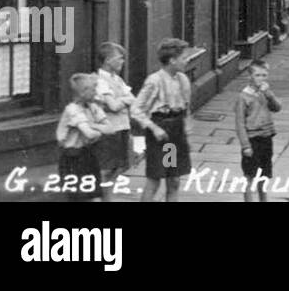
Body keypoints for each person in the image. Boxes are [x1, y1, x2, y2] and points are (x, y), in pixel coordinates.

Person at [131, 38, 194, 202]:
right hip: (161, 133)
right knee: (155, 179)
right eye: (183, 57)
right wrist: (154, 128)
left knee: (174, 180)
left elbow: (186, 107)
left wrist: (186, 129)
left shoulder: (183, 79)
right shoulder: (155, 80)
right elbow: (136, 109)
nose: (186, 61)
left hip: (176, 133)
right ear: (172, 60)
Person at [56, 73, 113, 202]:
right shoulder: (72, 110)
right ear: (83, 92)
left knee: (95, 195)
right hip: (72, 158)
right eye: (93, 89)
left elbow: (110, 129)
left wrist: (92, 125)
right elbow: (89, 134)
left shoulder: (93, 107)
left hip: (88, 155)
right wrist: (99, 129)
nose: (96, 92)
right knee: (79, 197)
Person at [235, 59, 282, 202]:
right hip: (252, 139)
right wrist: (245, 145)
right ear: (249, 76)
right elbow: (240, 123)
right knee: (250, 176)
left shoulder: (265, 93)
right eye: (258, 75)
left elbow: (277, 107)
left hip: (266, 137)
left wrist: (269, 94)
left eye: (264, 75)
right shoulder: (243, 97)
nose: (261, 79)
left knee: (264, 175)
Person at [93, 41, 136, 197]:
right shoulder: (100, 81)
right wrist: (124, 100)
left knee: (119, 167)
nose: (122, 61)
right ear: (108, 60)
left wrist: (121, 100)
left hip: (122, 127)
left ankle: (107, 197)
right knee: (107, 168)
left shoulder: (117, 79)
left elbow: (133, 99)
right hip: (110, 130)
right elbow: (113, 106)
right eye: (119, 58)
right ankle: (104, 198)